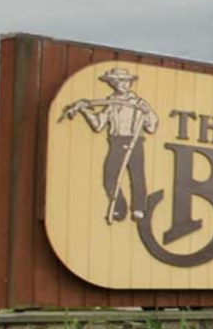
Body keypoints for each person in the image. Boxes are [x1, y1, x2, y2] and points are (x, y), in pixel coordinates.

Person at [60, 67, 159, 222]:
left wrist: (147, 113)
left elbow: (152, 126)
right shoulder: (111, 103)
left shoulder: (138, 103)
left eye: (125, 81)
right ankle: (119, 207)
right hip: (116, 142)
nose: (122, 84)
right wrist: (85, 111)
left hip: (135, 141)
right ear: (112, 83)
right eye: (117, 81)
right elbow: (98, 125)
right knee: (110, 176)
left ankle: (139, 208)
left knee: (137, 176)